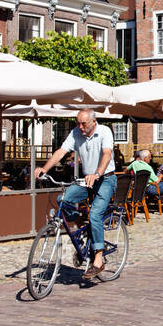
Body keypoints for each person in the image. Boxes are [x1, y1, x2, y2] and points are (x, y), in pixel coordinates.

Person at [35, 110, 117, 278]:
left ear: (93, 122)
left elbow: (107, 154)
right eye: (78, 123)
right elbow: (61, 151)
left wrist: (97, 173)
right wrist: (44, 168)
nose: (80, 127)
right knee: (63, 199)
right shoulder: (75, 133)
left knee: (95, 214)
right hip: (87, 179)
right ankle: (82, 227)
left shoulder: (104, 131)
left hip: (105, 179)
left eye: (83, 123)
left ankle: (98, 260)